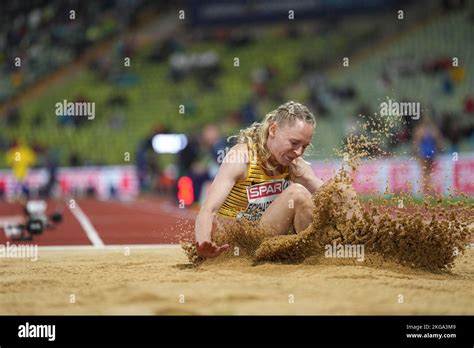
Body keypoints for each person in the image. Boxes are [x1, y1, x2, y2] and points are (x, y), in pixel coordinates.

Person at [195, 101, 357, 258]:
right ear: (273, 130)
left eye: (304, 146)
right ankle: (313, 256)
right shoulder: (241, 158)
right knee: (297, 194)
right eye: (294, 143)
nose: (299, 152)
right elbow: (208, 210)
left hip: (275, 239)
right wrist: (203, 243)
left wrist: (308, 178)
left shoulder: (293, 163)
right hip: (242, 246)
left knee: (343, 191)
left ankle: (360, 243)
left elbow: (333, 199)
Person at [412, 116, 444, 195]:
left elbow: (416, 143)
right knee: (429, 172)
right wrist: (439, 150)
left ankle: (425, 190)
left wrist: (415, 153)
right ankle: (429, 190)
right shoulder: (434, 130)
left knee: (424, 172)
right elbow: (440, 142)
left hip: (424, 153)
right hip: (431, 153)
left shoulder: (420, 130)